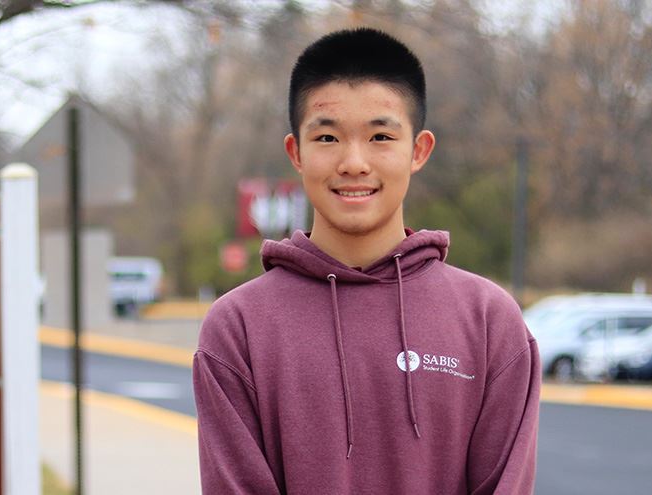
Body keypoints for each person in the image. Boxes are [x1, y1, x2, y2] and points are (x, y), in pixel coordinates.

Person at [192, 28, 540, 494]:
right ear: (296, 152)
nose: (354, 162)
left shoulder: (488, 321)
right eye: (329, 138)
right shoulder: (238, 329)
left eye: (380, 136)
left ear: (418, 150)